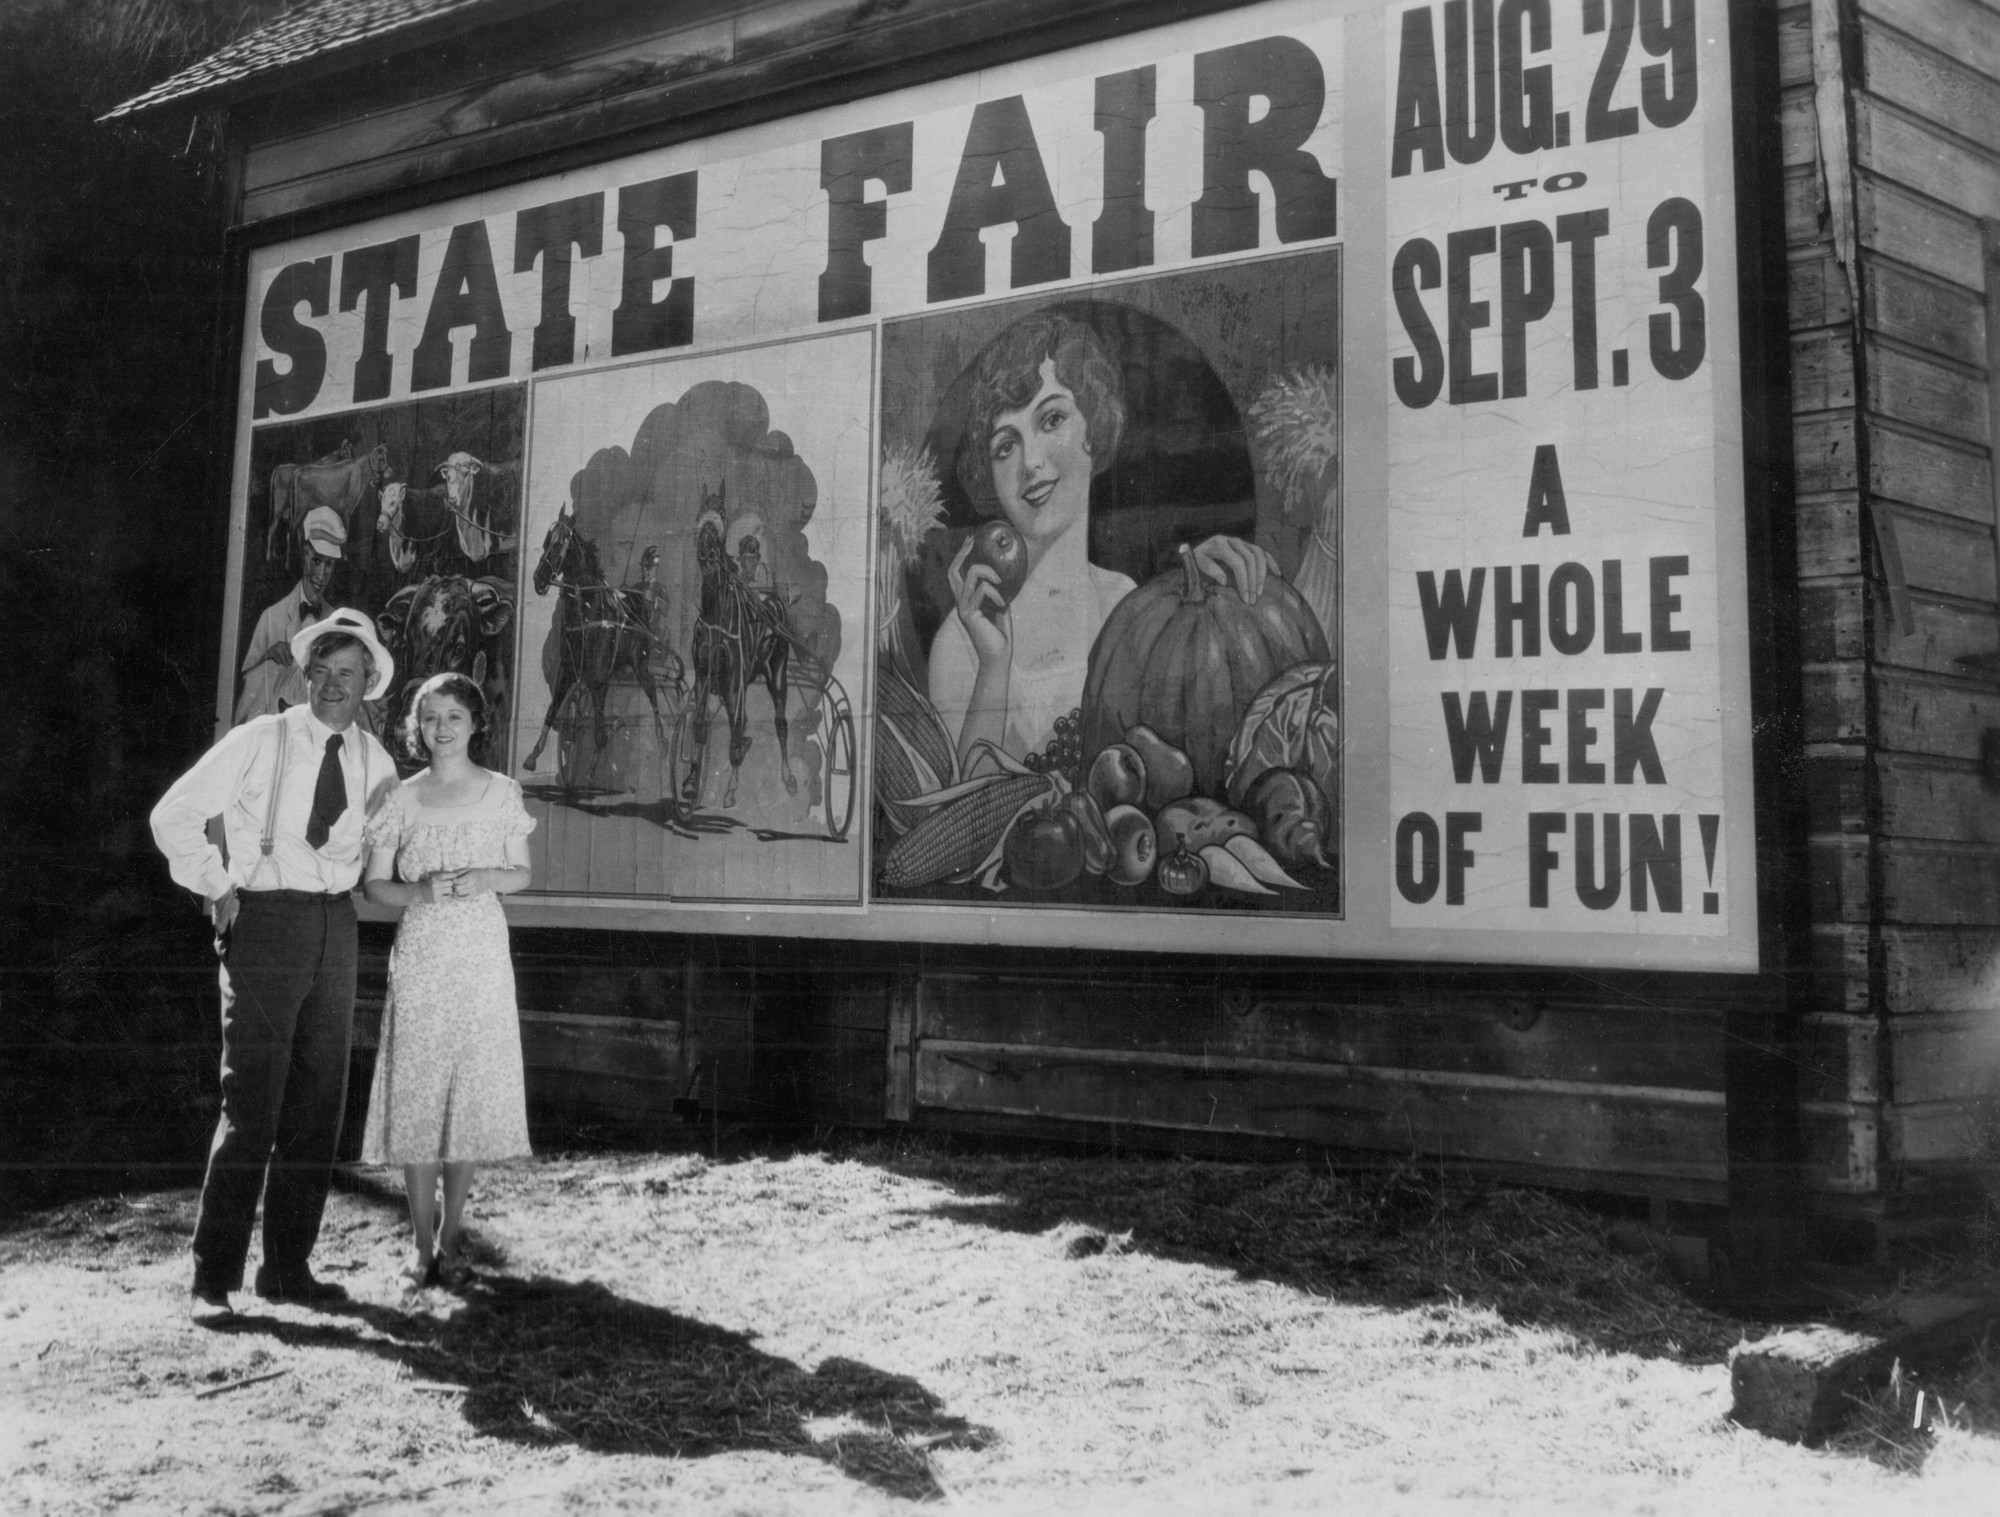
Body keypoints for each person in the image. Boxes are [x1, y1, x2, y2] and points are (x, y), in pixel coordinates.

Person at [150, 609, 398, 1323]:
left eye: (345, 675)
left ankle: (288, 1267)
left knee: (320, 1104)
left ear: (368, 685)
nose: (329, 685)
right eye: (319, 670)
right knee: (251, 1099)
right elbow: (174, 813)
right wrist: (216, 885)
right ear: (303, 673)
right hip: (266, 922)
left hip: (336, 925)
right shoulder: (263, 737)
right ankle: (212, 1278)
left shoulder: (375, 760)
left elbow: (382, 856)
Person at [928, 312, 1274, 774]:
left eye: (1051, 419)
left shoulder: (1128, 602)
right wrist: (995, 665)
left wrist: (1204, 593)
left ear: (1094, 428)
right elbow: (963, 829)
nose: (1031, 462)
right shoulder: (961, 641)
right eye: (1005, 446)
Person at [359, 671, 533, 1295]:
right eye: (430, 717)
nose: (442, 728)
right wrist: (422, 891)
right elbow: (375, 885)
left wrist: (486, 876)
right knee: (419, 1089)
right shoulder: (399, 799)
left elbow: (522, 874)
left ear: (474, 723)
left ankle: (453, 1238)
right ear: (417, 727)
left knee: (469, 1092)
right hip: (423, 952)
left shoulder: (502, 791)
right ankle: (418, 1243)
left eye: (454, 716)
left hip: (482, 951)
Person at [235, 506, 348, 724]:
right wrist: (268, 658)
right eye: (316, 560)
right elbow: (245, 698)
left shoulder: (338, 625)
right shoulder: (272, 617)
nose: (321, 575)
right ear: (305, 553)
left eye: (329, 564)